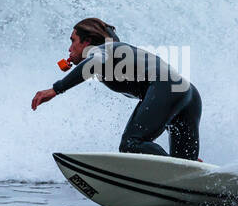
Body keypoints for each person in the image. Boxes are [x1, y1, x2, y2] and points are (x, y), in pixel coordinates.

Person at [31, 18, 202, 161]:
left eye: (73, 41)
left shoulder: (103, 50)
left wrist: (56, 89)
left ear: (87, 42)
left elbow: (94, 62)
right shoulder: (116, 53)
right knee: (186, 165)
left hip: (167, 88)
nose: (69, 49)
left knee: (131, 144)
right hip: (188, 94)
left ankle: (178, 170)